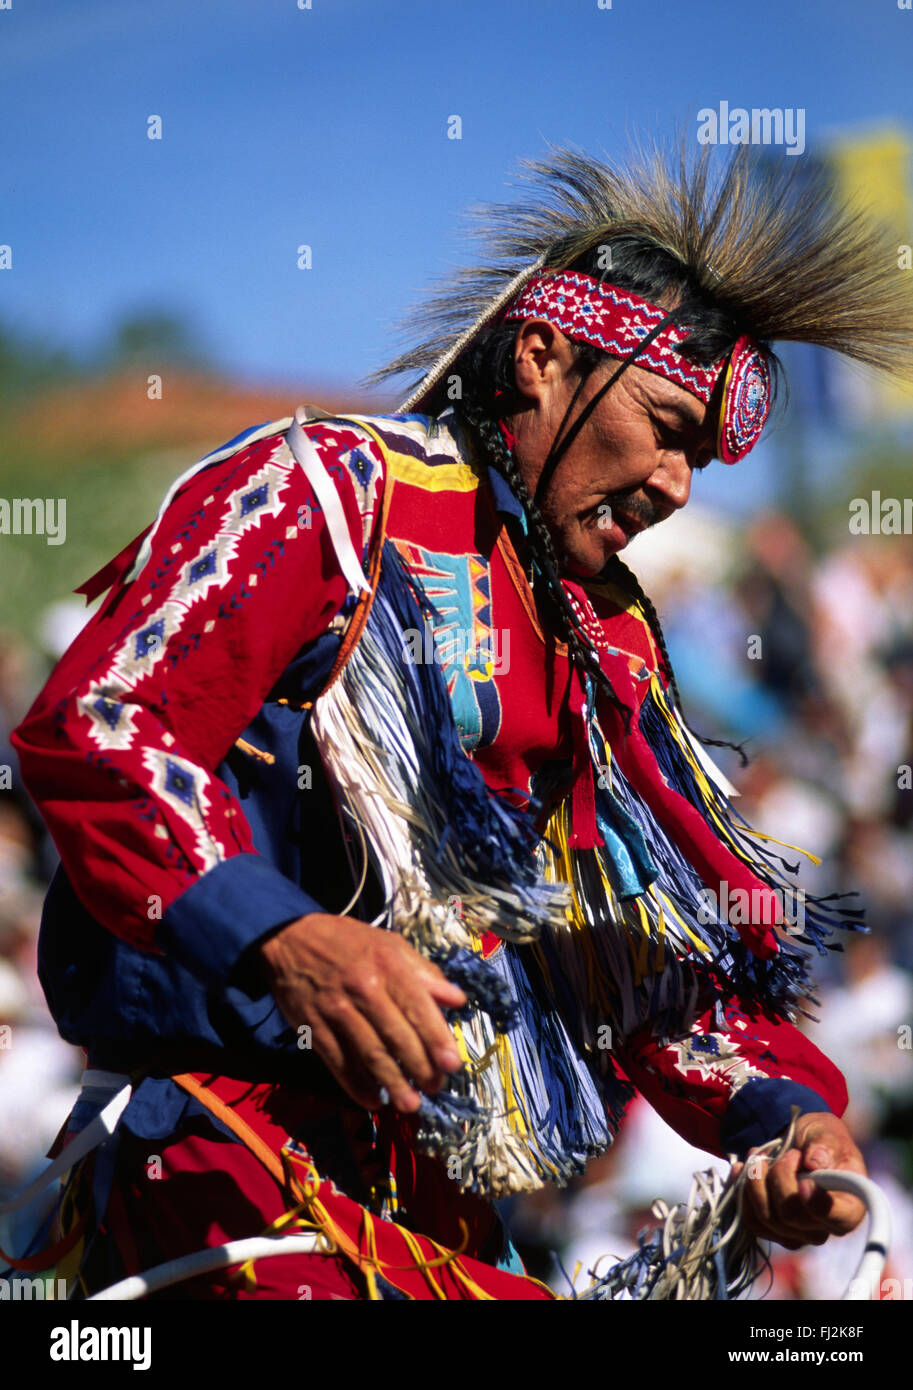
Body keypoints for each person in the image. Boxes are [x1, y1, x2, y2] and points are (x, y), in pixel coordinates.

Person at [10, 143, 913, 1300]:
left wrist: (781, 1118)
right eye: (668, 424)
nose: (681, 485)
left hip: (431, 1192)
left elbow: (629, 949)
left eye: (704, 453)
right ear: (541, 356)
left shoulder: (601, 635)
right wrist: (281, 935)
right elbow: (102, 724)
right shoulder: (330, 494)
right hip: (220, 1167)